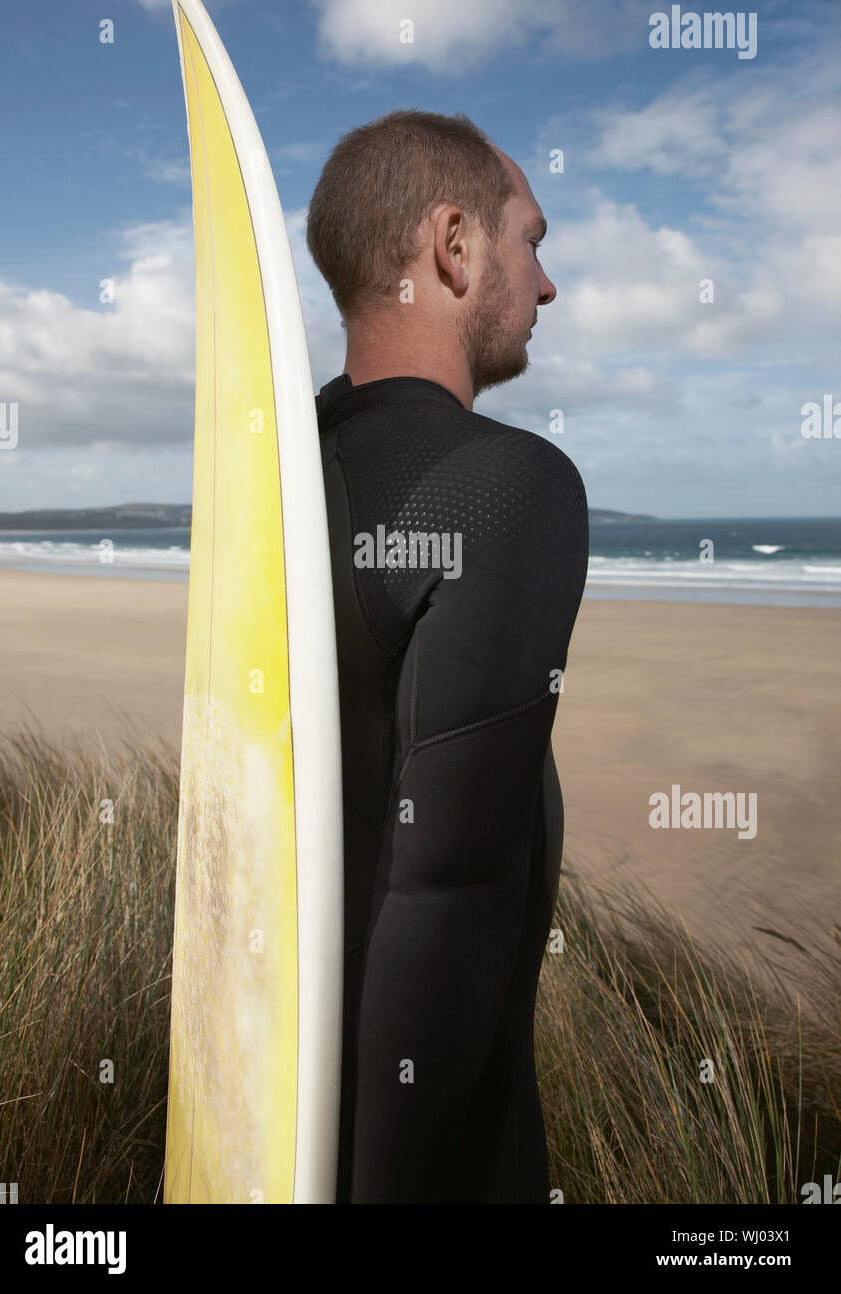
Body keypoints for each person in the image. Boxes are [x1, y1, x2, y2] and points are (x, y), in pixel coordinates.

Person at [307, 110, 588, 1203]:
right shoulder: (505, 485)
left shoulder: (282, 476)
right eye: (533, 239)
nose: (546, 284)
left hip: (283, 1136)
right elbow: (447, 894)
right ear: (455, 246)